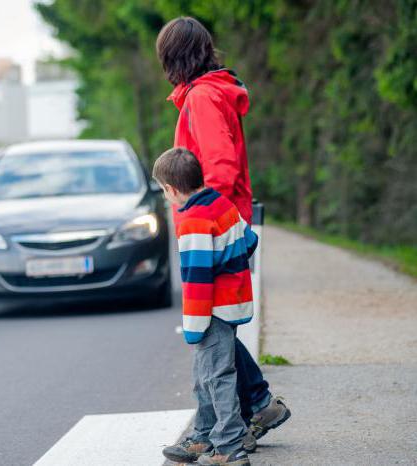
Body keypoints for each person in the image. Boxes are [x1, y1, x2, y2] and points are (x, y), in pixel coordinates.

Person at [155, 15, 291, 462]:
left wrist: (203, 219)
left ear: (174, 58)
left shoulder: (203, 98)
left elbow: (220, 168)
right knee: (219, 329)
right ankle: (257, 407)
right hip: (223, 222)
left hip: (212, 227)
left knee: (212, 331)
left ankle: (217, 435)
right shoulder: (210, 93)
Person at [153, 148, 255, 466]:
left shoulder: (194, 221)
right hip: (233, 299)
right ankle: (204, 435)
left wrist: (194, 327)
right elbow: (249, 239)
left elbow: (197, 281)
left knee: (217, 375)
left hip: (213, 309)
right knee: (205, 374)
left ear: (171, 189)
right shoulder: (221, 203)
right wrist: (226, 257)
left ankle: (229, 445)